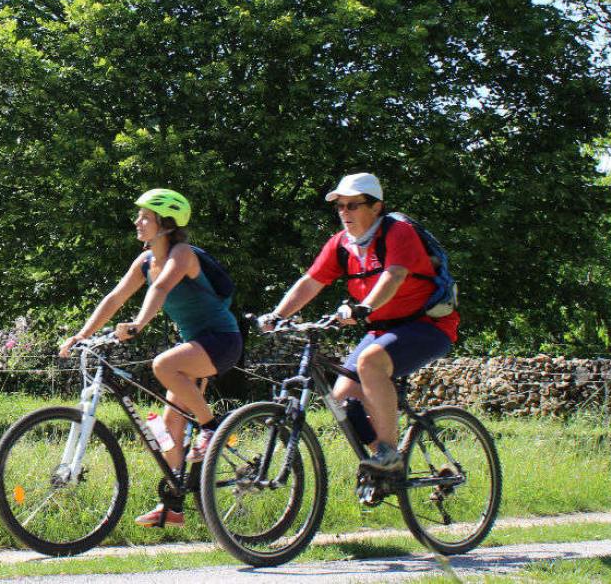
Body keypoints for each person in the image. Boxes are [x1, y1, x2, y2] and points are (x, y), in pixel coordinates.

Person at [58, 188, 243, 528]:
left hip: (221, 341)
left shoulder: (182, 254)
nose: (137, 222)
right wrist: (82, 335)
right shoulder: (144, 262)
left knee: (163, 364)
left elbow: (160, 290)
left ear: (166, 224)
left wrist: (139, 323)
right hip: (195, 348)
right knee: (167, 432)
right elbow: (115, 297)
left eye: (146, 217)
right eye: (139, 216)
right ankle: (173, 507)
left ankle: (211, 428)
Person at [260, 173, 458, 474]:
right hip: (382, 330)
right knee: (341, 399)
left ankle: (390, 452)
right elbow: (311, 282)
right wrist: (277, 316)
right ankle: (384, 464)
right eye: (340, 206)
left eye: (353, 206)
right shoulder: (342, 244)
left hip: (427, 326)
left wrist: (363, 307)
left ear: (376, 207)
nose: (344, 213)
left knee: (369, 362)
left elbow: (394, 276)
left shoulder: (397, 232)